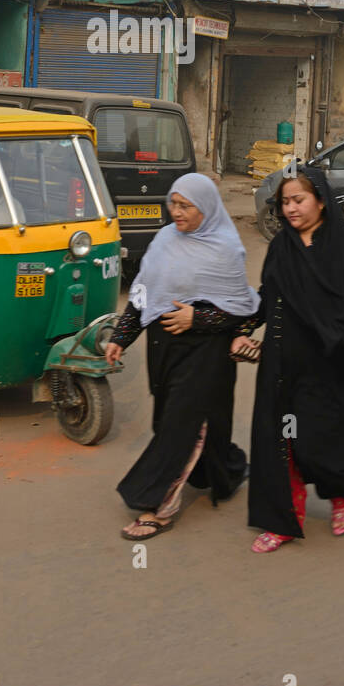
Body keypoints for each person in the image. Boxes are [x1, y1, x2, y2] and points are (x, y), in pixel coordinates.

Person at [236, 165, 344, 553]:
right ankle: (282, 521)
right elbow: (269, 298)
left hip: (329, 366)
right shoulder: (281, 246)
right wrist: (243, 331)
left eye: (298, 200)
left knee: (319, 444)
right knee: (278, 445)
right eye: (284, 202)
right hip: (281, 366)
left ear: (320, 200)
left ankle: (343, 493)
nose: (290, 209)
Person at [104, 173, 260, 541]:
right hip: (165, 350)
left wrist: (198, 317)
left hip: (206, 355)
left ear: (205, 207)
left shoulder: (226, 248)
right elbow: (143, 294)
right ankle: (229, 468)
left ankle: (158, 505)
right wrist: (121, 338)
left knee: (181, 427)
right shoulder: (164, 240)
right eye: (173, 203)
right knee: (175, 421)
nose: (176, 211)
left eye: (185, 205)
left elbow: (242, 311)